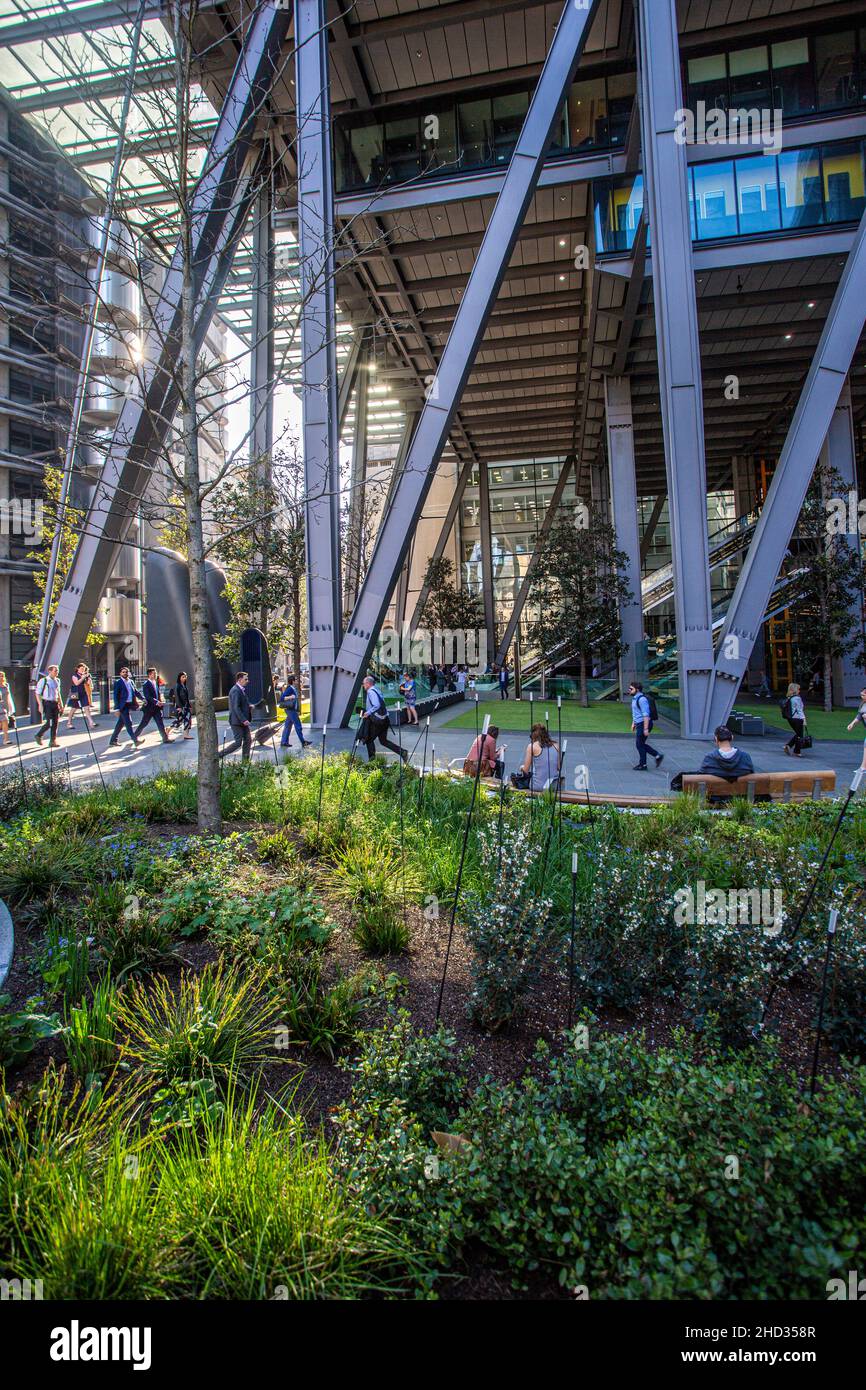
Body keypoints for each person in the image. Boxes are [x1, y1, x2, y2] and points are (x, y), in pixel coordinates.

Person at [359, 675, 407, 762]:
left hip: (377, 722)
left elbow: (377, 705)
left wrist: (368, 713)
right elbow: (382, 703)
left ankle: (372, 762)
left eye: (363, 683)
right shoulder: (377, 690)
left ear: (368, 683)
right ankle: (402, 752)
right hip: (385, 720)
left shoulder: (370, 692)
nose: (363, 685)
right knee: (383, 741)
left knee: (369, 740)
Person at [512, 721, 559, 791]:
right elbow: (558, 767)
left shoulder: (532, 746)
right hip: (554, 786)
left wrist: (522, 767)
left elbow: (525, 771)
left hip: (538, 786)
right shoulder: (556, 745)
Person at [219, 671, 253, 762]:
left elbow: (241, 704)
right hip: (237, 722)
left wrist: (249, 706)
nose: (247, 681)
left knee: (248, 740)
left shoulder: (240, 689)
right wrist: (243, 720)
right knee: (238, 743)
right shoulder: (235, 690)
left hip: (242, 722)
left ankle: (245, 761)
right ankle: (219, 755)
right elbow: (235, 707)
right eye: (246, 679)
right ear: (240, 679)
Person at [629, 681, 663, 771]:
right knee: (640, 744)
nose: (629, 690)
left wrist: (645, 728)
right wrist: (633, 723)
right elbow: (636, 713)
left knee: (639, 744)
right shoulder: (635, 698)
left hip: (644, 724)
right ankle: (656, 756)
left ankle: (644, 764)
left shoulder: (642, 699)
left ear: (637, 689)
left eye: (631, 689)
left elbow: (645, 715)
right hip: (639, 723)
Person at [134, 668, 173, 744]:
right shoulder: (146, 684)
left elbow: (157, 694)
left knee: (160, 723)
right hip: (149, 708)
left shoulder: (156, 682)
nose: (155, 675)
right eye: (153, 673)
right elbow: (147, 696)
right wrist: (156, 701)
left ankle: (165, 738)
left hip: (156, 708)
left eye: (155, 673)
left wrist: (160, 701)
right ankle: (134, 736)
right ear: (149, 675)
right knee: (144, 723)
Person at [108, 666, 143, 748]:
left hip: (129, 705)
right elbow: (116, 696)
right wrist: (117, 709)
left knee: (120, 724)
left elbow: (136, 692)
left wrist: (143, 698)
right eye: (123, 672)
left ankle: (113, 740)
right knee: (128, 723)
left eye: (126, 672)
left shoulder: (131, 681)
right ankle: (135, 740)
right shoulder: (118, 682)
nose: (125, 673)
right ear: (120, 673)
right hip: (122, 706)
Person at [280, 673, 311, 749]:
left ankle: (284, 742)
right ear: (293, 681)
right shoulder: (290, 688)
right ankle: (303, 742)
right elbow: (282, 698)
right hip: (290, 710)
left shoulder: (292, 688)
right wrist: (291, 696)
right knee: (298, 725)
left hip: (291, 709)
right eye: (296, 679)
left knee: (288, 726)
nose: (297, 680)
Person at [34, 665, 62, 748]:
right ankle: (39, 735)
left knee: (55, 723)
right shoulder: (44, 681)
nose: (57, 672)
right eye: (55, 671)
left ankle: (53, 741)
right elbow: (37, 693)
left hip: (55, 703)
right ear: (49, 671)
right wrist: (40, 705)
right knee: (50, 722)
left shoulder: (57, 680)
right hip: (47, 703)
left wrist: (61, 703)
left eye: (57, 671)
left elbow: (58, 692)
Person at [65, 662, 96, 730]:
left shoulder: (85, 676)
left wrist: (88, 679)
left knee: (86, 707)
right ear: (77, 669)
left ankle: (91, 722)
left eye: (84, 669)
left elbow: (88, 684)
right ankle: (69, 722)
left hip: (83, 692)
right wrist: (83, 677)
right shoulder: (74, 675)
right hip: (75, 692)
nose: (83, 670)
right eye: (81, 669)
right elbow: (77, 683)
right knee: (74, 708)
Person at [782, 682, 807, 757]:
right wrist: (804, 719)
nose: (799, 690)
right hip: (797, 718)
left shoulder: (789, 698)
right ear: (795, 690)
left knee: (798, 734)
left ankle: (792, 747)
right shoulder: (797, 698)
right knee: (800, 735)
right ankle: (795, 750)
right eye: (798, 689)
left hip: (790, 718)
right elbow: (800, 710)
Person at [846, 686, 866, 771]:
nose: (862, 697)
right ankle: (863, 767)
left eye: (863, 695)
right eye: (861, 695)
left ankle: (863, 767)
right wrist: (852, 724)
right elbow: (859, 716)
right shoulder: (863, 704)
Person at [172, 671, 194, 738]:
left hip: (186, 706)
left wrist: (189, 706)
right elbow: (177, 697)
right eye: (183, 677)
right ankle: (169, 729)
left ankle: (186, 734)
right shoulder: (177, 686)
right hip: (181, 707)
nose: (184, 678)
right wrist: (179, 707)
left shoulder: (184, 686)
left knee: (187, 719)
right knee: (180, 720)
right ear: (179, 678)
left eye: (185, 677)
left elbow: (186, 697)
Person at [0, 671, 15, 747]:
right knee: (3, 722)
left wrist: (11, 707)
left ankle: (6, 739)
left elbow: (9, 697)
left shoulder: (6, 685)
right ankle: (6, 739)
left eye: (2, 676)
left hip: (5, 706)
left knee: (5, 721)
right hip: (0, 707)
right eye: (0, 676)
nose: (1, 677)